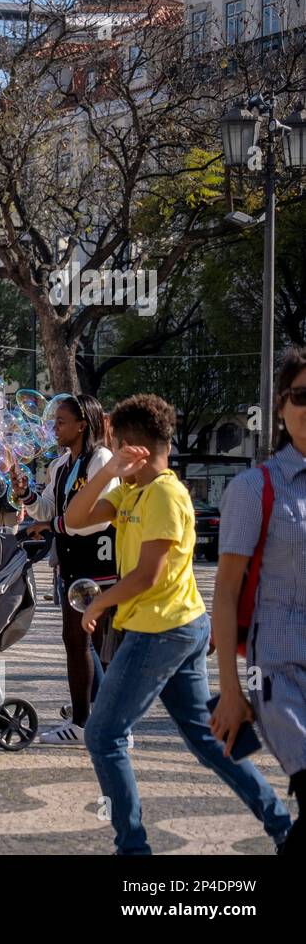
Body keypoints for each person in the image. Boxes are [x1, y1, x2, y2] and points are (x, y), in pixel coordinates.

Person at [66, 394, 291, 855]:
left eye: (114, 445)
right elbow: (73, 520)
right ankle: (281, 824)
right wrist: (109, 473)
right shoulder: (132, 491)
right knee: (210, 740)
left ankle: (133, 849)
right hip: (178, 627)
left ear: (133, 447)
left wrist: (99, 603)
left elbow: (149, 574)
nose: (109, 451)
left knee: (103, 735)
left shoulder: (167, 494)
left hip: (162, 632)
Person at [211, 347, 306, 854]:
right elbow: (225, 593)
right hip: (281, 676)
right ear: (282, 406)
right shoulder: (255, 488)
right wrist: (230, 689)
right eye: (302, 396)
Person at [13, 394, 119, 746]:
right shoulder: (60, 465)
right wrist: (27, 495)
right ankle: (102, 717)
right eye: (54, 421)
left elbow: (98, 516)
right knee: (79, 641)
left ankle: (85, 722)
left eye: (60, 421)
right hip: (72, 565)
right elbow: (47, 510)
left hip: (99, 564)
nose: (54, 427)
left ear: (81, 425)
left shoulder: (99, 459)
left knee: (82, 640)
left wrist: (54, 525)